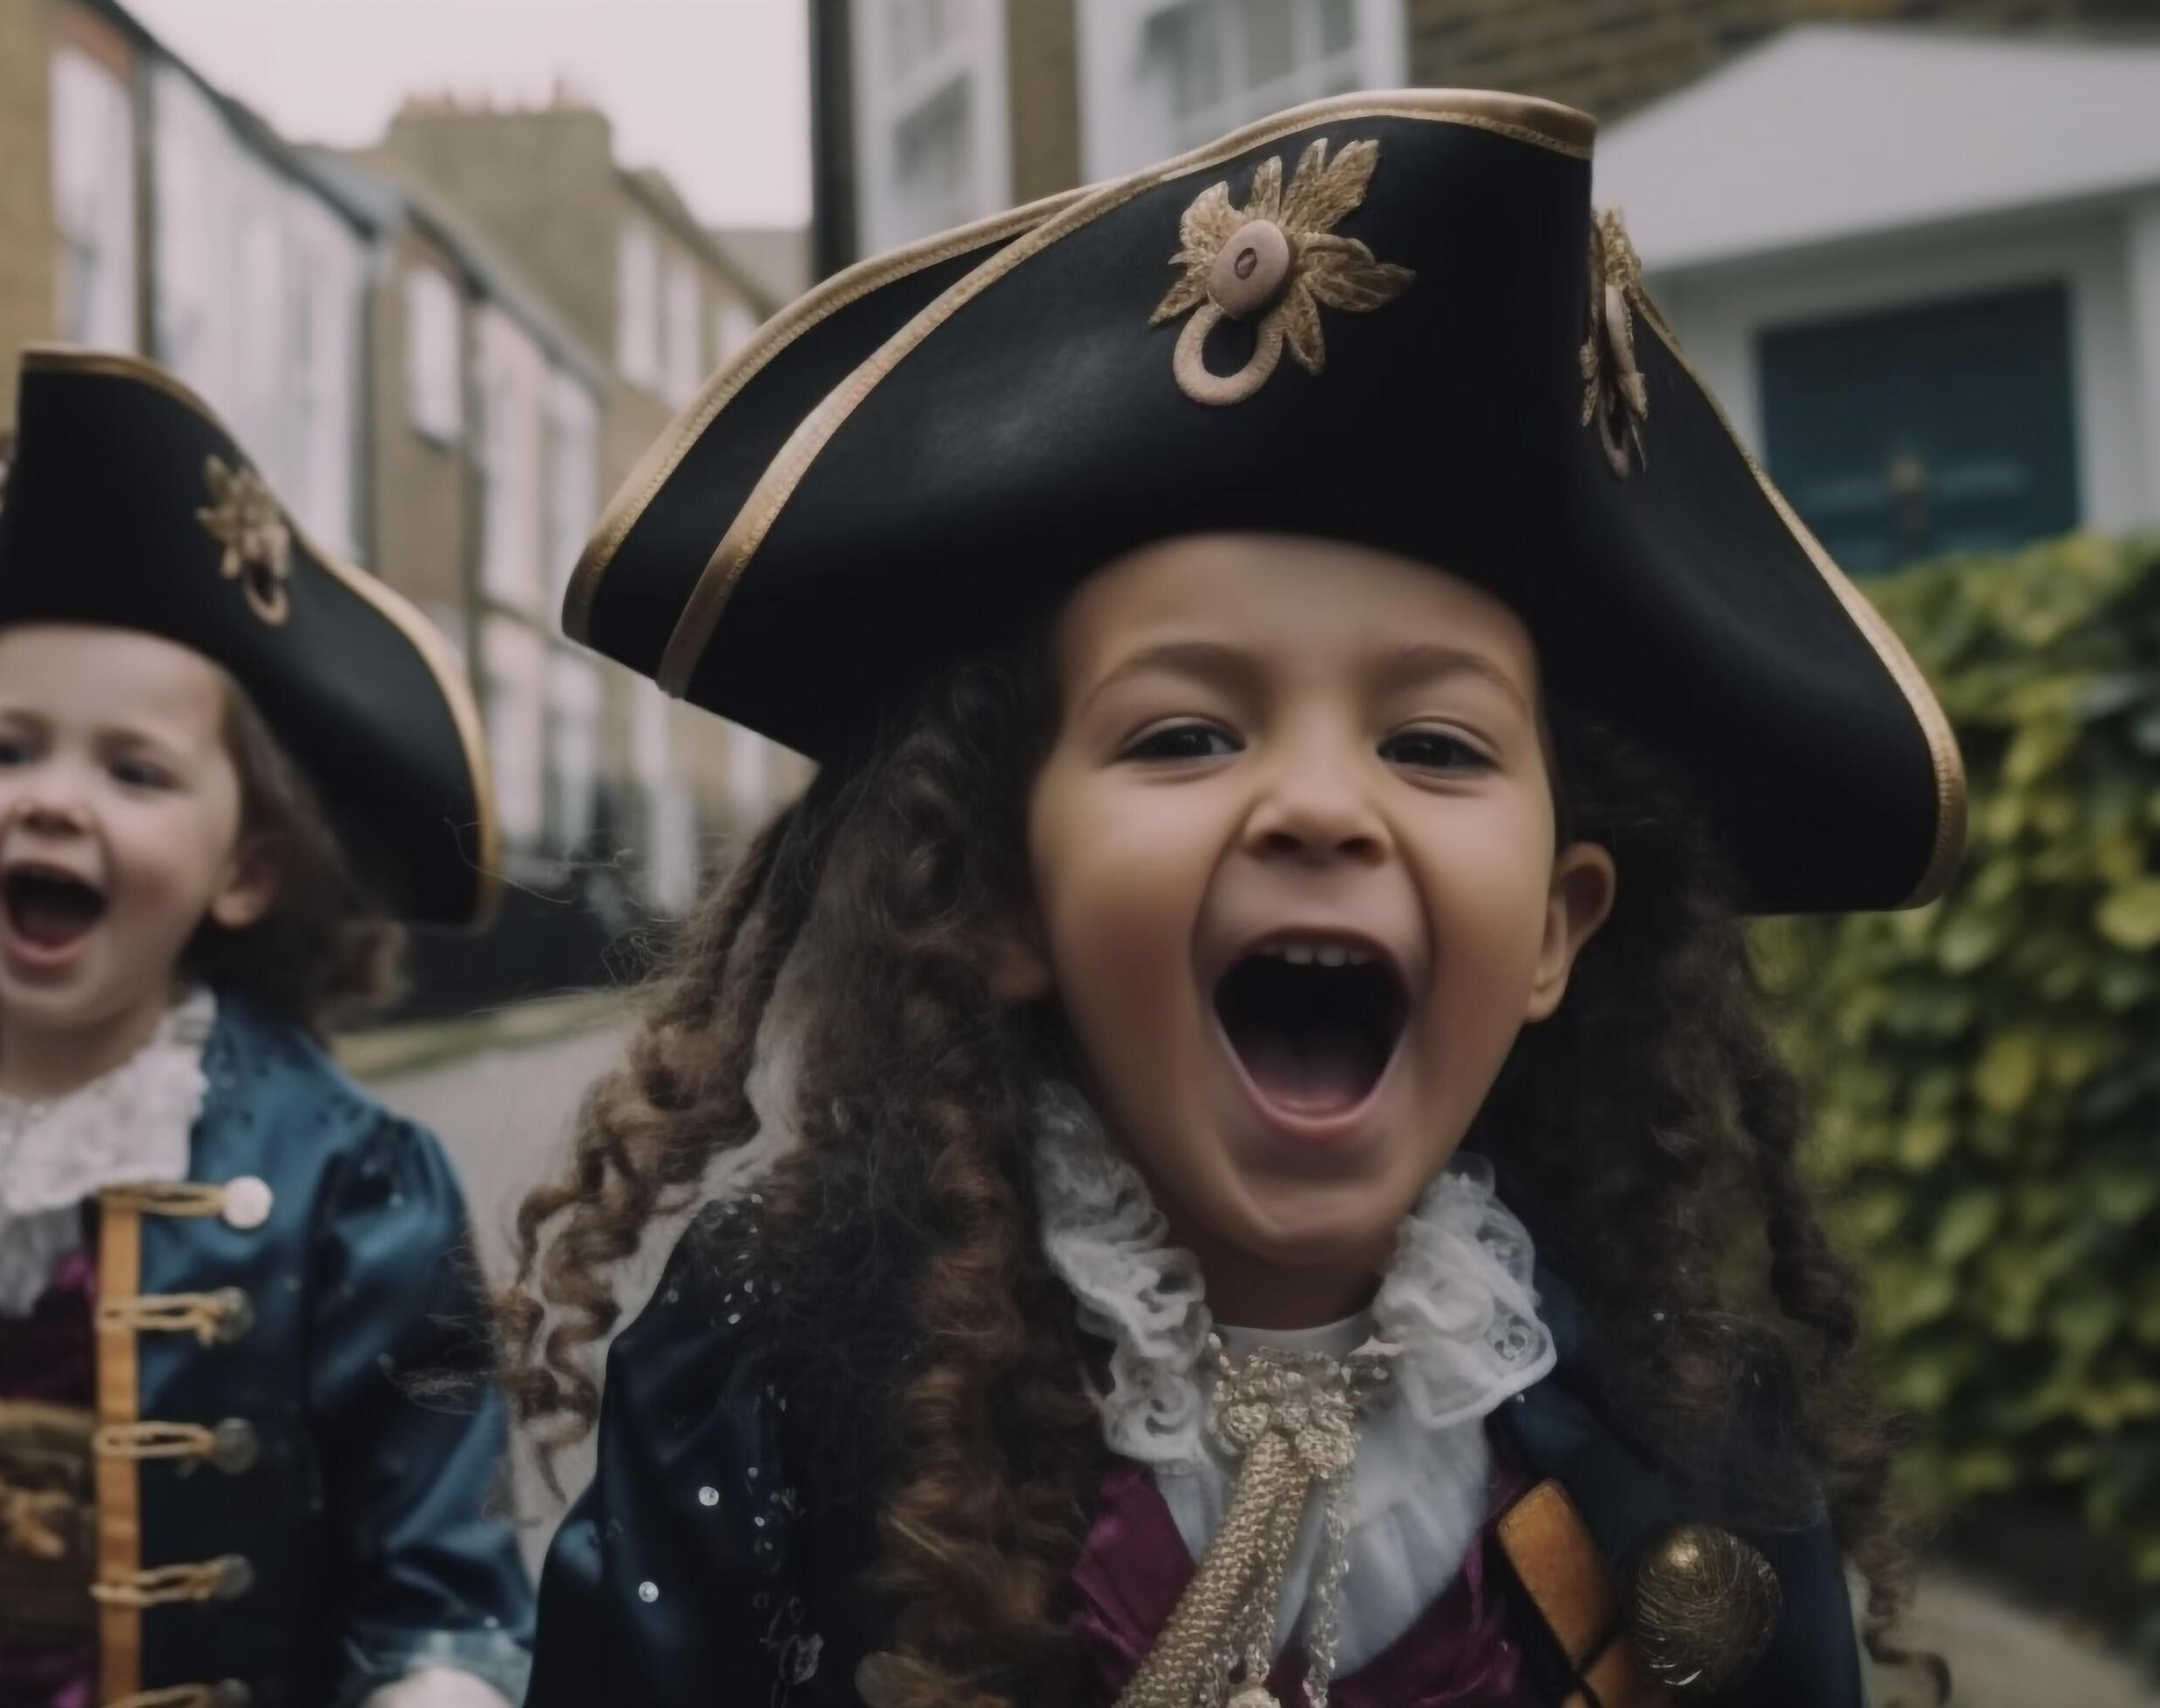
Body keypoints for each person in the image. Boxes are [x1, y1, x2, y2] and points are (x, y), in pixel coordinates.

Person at [504, 89, 1960, 1708]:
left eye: (1431, 743)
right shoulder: (778, 1378)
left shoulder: (1688, 1443)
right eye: (1186, 732)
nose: (1324, 805)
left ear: (1554, 927)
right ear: (998, 899)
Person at [0, 347, 532, 1708]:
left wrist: (433, 1687)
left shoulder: (354, 1182)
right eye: (8, 749)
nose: (51, 802)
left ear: (246, 867)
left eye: (134, 771)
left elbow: (435, 1556)